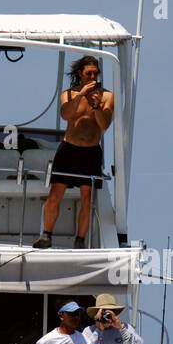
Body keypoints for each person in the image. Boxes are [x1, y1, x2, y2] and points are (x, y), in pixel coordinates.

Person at [32, 56, 113, 249]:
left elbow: (105, 124)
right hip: (69, 149)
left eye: (95, 73)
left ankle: (80, 240)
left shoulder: (107, 96)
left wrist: (95, 105)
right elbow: (65, 114)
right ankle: (46, 235)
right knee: (55, 194)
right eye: (89, 73)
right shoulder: (68, 94)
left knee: (87, 199)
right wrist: (81, 95)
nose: (93, 76)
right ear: (80, 74)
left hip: (91, 152)